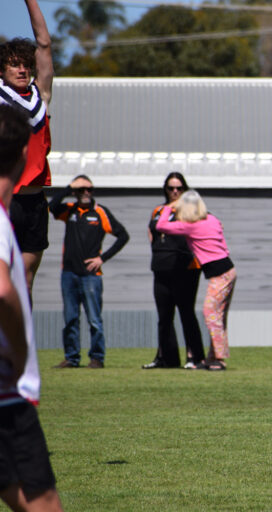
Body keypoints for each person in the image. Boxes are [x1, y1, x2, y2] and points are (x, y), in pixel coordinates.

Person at [0, 105, 63, 511]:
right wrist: (21, 353)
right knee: (44, 504)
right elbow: (2, 292)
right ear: (27, 154)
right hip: (5, 396)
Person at [0, 0, 55, 294]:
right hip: (5, 201)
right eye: (14, 64)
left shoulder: (39, 94)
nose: (22, 69)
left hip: (34, 201)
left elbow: (44, 44)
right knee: (2, 281)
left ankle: (23, 341)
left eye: (25, 64)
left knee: (26, 282)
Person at [49, 175, 130, 369]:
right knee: (70, 318)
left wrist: (102, 258)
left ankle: (97, 358)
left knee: (94, 319)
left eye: (89, 189)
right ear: (75, 192)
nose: (86, 193)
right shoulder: (70, 211)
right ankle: (71, 358)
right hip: (68, 273)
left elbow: (122, 235)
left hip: (91, 276)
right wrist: (69, 188)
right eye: (82, 189)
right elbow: (52, 206)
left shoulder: (99, 212)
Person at [155, 190, 236, 371]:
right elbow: (220, 233)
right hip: (228, 269)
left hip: (220, 273)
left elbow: (161, 226)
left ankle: (219, 359)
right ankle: (212, 358)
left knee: (209, 312)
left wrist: (168, 207)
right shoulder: (211, 219)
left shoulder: (188, 225)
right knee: (219, 316)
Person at [143, 173, 205, 370]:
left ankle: (193, 357)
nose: (175, 192)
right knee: (164, 315)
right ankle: (166, 357)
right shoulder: (159, 210)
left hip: (185, 268)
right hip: (161, 267)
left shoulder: (190, 210)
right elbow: (152, 231)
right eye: (171, 188)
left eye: (179, 188)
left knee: (186, 313)